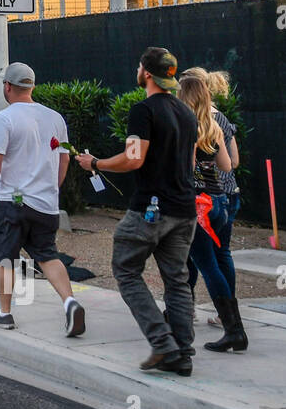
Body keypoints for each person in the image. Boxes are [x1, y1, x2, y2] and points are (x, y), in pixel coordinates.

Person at [74, 47, 198, 376]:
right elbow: (191, 163)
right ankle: (183, 354)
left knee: (126, 270)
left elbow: (133, 158)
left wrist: (95, 163)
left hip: (151, 209)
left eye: (140, 65)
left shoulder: (143, 110)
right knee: (177, 280)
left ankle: (163, 344)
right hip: (185, 209)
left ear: (145, 73)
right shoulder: (187, 113)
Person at [0, 62, 84, 336]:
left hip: (12, 202)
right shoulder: (55, 118)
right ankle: (70, 302)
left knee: (5, 257)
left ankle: (4, 312)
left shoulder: (6, 118)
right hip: (45, 203)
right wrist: (52, 187)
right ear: (32, 86)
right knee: (47, 255)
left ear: (7, 87)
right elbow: (64, 158)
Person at [178, 72, 244, 352]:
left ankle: (234, 331)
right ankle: (232, 325)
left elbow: (186, 168)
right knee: (213, 260)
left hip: (197, 204)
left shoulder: (187, 127)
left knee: (204, 264)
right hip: (219, 201)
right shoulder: (215, 127)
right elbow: (229, 166)